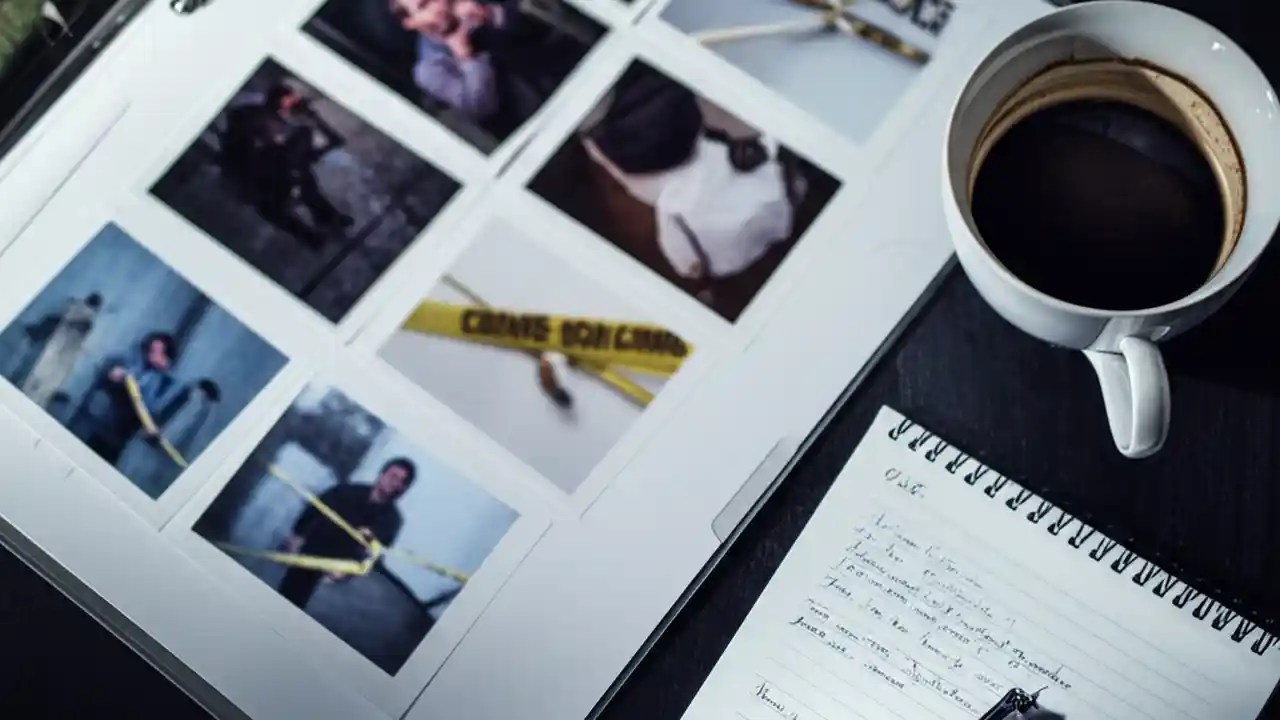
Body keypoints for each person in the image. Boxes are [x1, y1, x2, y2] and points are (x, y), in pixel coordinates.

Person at [394, 0, 590, 139]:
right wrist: (466, 56)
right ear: (411, 22)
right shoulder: (430, 68)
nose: (438, 7)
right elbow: (481, 107)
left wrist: (491, 14)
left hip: (572, 74)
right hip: (536, 124)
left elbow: (540, 22)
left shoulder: (473, 5)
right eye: (424, 6)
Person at [220, 81, 353, 246]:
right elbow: (260, 154)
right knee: (292, 164)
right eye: (289, 102)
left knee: (299, 164)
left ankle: (323, 220)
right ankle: (316, 228)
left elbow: (332, 142)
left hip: (268, 179)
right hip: (258, 182)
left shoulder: (280, 130)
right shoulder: (254, 119)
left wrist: (314, 118)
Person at [276, 457, 417, 610]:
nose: (395, 483)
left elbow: (376, 555)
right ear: (381, 474)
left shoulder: (393, 520)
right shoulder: (346, 491)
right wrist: (296, 536)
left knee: (298, 599)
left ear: (403, 489)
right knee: (290, 592)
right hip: (314, 546)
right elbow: (314, 508)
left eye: (402, 482)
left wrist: (349, 572)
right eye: (393, 476)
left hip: (338, 561)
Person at [72, 332, 189, 466]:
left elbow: (154, 410)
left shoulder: (166, 383)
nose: (154, 354)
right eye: (153, 349)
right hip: (92, 422)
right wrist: (112, 374)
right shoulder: (127, 359)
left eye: (159, 352)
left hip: (117, 439)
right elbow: (103, 369)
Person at [17, 292, 103, 409]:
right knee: (42, 386)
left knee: (37, 383)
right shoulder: (82, 316)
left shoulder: (77, 312)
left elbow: (75, 328)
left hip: (57, 352)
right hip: (58, 353)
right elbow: (77, 328)